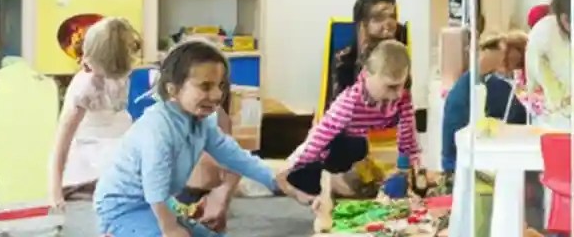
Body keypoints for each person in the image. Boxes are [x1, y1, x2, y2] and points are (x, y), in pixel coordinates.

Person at [94, 40, 307, 236]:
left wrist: (276, 181)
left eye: (220, 86)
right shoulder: (158, 128)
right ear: (173, 90)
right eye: (205, 86)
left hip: (158, 203)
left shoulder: (203, 122)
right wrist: (170, 228)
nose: (216, 95)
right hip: (123, 208)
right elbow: (154, 186)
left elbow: (234, 155)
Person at [285, 40, 420, 196]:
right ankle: (334, 182)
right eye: (390, 87)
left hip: (366, 156)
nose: (397, 93)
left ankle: (354, 184)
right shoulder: (350, 101)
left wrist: (409, 164)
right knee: (301, 172)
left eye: (401, 85)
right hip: (337, 155)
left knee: (365, 151)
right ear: (367, 75)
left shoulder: (401, 96)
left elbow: (408, 133)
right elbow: (319, 136)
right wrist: (291, 165)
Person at [50, 17, 141, 209]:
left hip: (120, 134)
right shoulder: (85, 88)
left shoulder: (121, 73)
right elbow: (62, 141)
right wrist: (55, 191)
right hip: (92, 145)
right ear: (89, 61)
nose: (118, 78)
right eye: (108, 74)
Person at [441, 33, 528, 172]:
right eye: (506, 62)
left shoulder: (475, 83)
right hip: (463, 162)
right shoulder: (494, 87)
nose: (505, 70)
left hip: (456, 160)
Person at [331, 0, 406, 101]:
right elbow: (337, 105)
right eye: (379, 18)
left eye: (392, 17)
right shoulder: (343, 60)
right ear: (362, 25)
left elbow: (403, 101)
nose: (389, 24)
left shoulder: (399, 57)